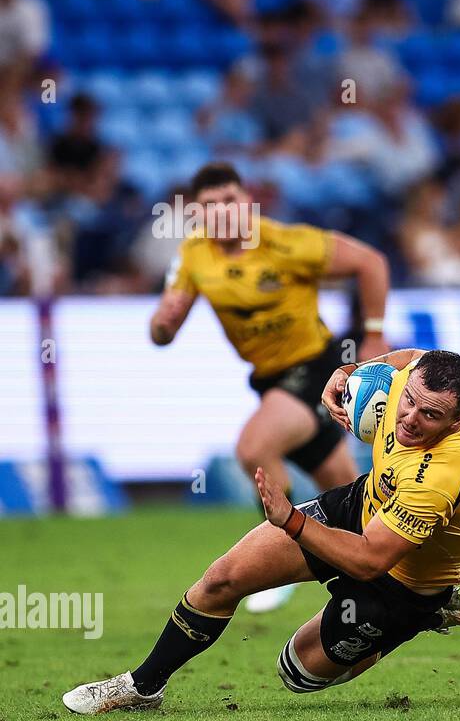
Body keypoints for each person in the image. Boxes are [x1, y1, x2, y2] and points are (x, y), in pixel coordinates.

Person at [63, 349, 460, 714]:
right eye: (411, 402)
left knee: (298, 673)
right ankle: (142, 684)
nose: (410, 419)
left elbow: (366, 562)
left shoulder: (442, 473)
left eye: (431, 415)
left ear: (457, 420)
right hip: (361, 505)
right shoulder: (417, 380)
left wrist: (290, 519)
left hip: (400, 574)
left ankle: (422, 614)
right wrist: (351, 369)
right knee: (224, 578)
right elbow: (411, 359)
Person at [150, 162, 390, 611]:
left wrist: (374, 334)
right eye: (209, 206)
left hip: (317, 367)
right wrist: (163, 325)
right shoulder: (194, 255)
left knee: (253, 447)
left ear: (247, 201)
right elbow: (166, 324)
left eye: (229, 201)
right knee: (355, 501)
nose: (221, 212)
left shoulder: (286, 242)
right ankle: (419, 588)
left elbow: (370, 262)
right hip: (271, 381)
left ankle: (283, 549)